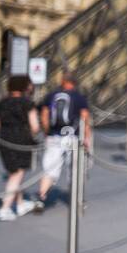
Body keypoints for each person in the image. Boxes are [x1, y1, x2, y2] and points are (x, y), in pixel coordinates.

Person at [36, 71, 90, 208]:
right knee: (74, 169)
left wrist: (47, 131)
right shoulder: (79, 97)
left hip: (54, 136)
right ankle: (76, 200)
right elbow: (85, 118)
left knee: (49, 169)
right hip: (73, 138)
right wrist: (87, 137)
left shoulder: (52, 95)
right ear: (74, 82)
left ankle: (41, 198)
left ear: (62, 81)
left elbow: (44, 114)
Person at [0, 75, 41, 220]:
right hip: (21, 140)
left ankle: (20, 204)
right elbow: (35, 126)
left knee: (13, 172)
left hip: (4, 140)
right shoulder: (27, 103)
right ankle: (5, 209)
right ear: (25, 86)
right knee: (17, 174)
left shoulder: (2, 103)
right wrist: (31, 134)